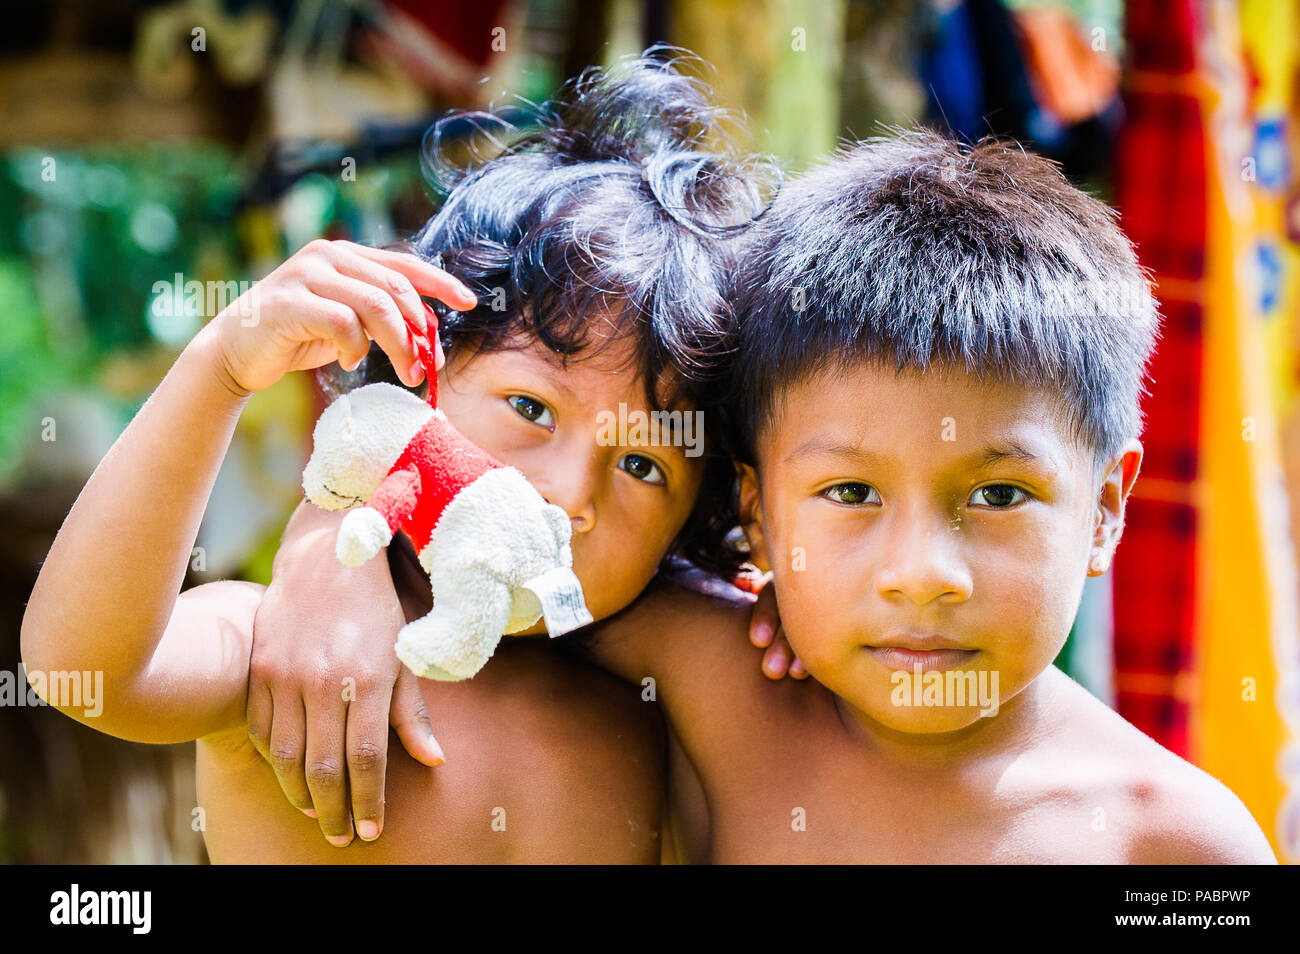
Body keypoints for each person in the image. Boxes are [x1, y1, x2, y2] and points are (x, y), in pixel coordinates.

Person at [20, 52, 777, 862]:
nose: (567, 493)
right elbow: (84, 670)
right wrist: (222, 367)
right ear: (418, 380)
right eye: (530, 408)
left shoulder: (656, 698)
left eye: (643, 466)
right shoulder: (291, 641)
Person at [571, 128, 1277, 861]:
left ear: (1103, 511)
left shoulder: (1176, 846)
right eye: (850, 492)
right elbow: (488, 569)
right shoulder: (699, 677)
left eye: (999, 495)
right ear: (758, 513)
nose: (921, 575)